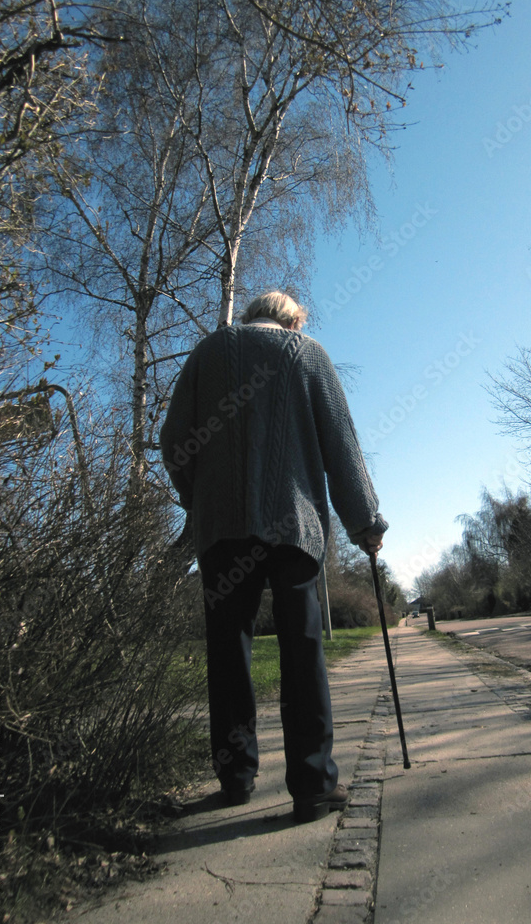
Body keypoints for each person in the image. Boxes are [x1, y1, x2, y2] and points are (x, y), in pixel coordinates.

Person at [160, 291, 387, 823]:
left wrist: (199, 497)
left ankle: (235, 777)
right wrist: (366, 525)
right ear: (291, 320)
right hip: (294, 529)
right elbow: (342, 448)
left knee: (229, 649)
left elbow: (174, 442)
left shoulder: (207, 353)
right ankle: (311, 786)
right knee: (302, 650)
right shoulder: (309, 354)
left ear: (252, 316)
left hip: (222, 532)